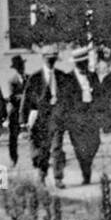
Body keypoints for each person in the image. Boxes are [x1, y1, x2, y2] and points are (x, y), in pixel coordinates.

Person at [21, 45, 68, 186]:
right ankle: (42, 175)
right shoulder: (35, 78)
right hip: (41, 119)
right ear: (43, 59)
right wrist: (23, 121)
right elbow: (26, 100)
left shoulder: (61, 76)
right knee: (43, 149)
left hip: (57, 118)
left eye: (53, 59)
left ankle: (58, 178)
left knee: (57, 148)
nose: (51, 62)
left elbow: (68, 98)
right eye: (48, 59)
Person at [61, 45, 102, 185]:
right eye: (79, 63)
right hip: (76, 118)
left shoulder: (92, 76)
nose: (82, 65)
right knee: (79, 147)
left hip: (91, 115)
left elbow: (99, 94)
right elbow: (66, 100)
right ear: (75, 63)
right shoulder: (68, 78)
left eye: (84, 62)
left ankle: (87, 164)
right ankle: (86, 173)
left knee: (95, 143)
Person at [6, 54, 27, 166]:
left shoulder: (29, 78)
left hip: (28, 110)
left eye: (22, 65)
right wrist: (24, 96)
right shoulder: (12, 81)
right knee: (13, 137)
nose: (21, 68)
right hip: (15, 111)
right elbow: (12, 97)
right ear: (16, 68)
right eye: (19, 66)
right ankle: (13, 159)